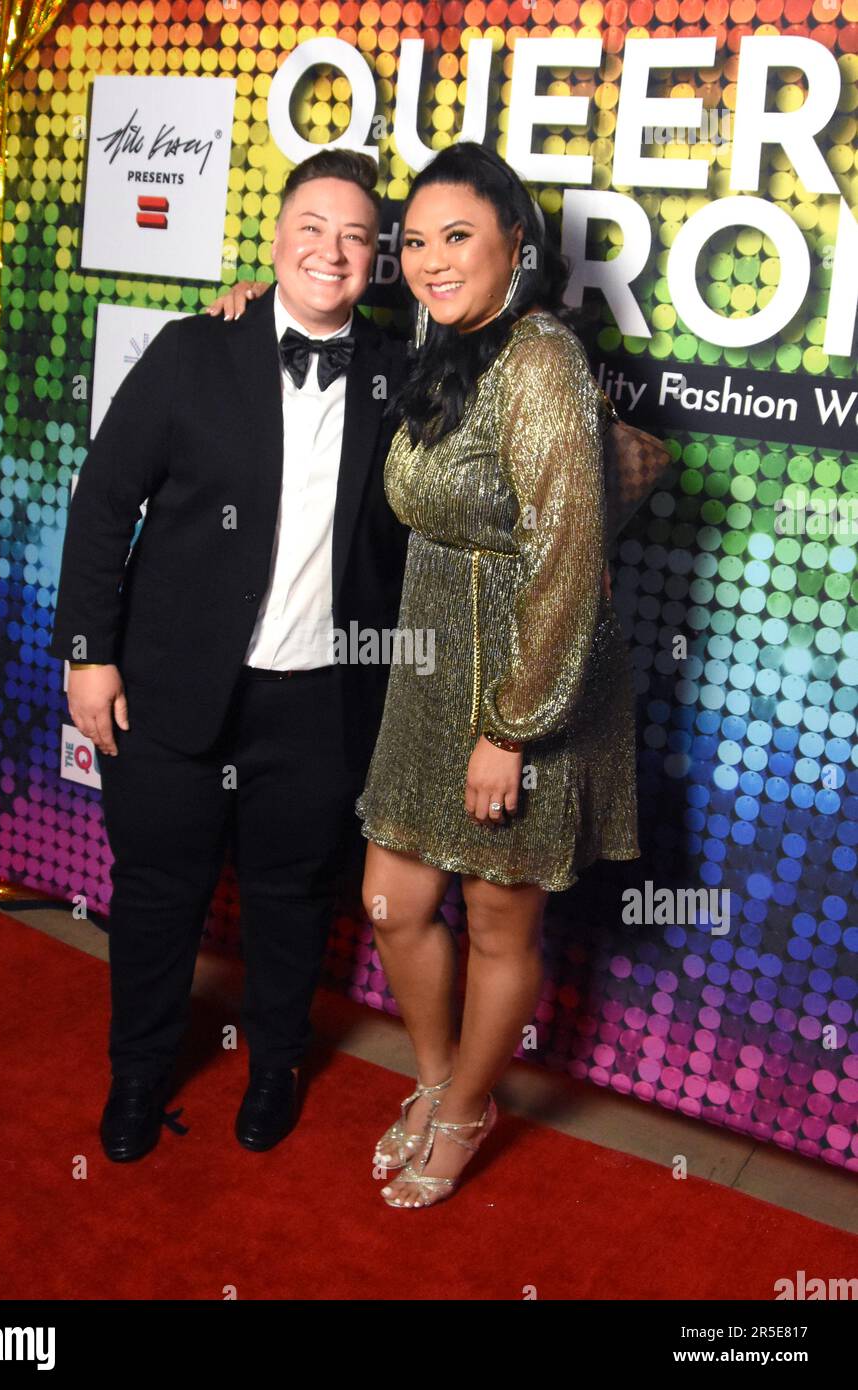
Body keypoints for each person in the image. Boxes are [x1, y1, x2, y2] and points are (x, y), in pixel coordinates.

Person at [211, 141, 639, 1209]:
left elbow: (568, 560)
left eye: (461, 237)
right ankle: (447, 1079)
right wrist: (256, 300)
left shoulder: (537, 357)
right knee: (395, 902)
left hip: (523, 683)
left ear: (517, 249)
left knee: (498, 921)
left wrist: (513, 728)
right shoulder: (442, 344)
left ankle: (458, 1111)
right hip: (428, 673)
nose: (433, 260)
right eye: (416, 240)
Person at [50, 149, 409, 1162]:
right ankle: (136, 1077)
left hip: (321, 707)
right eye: (312, 228)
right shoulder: (190, 351)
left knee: (292, 903)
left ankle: (274, 1067)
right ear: (276, 239)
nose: (330, 251)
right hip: (171, 690)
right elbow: (102, 503)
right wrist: (88, 654)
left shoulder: (400, 377)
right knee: (159, 895)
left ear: (375, 256)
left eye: (353, 236)